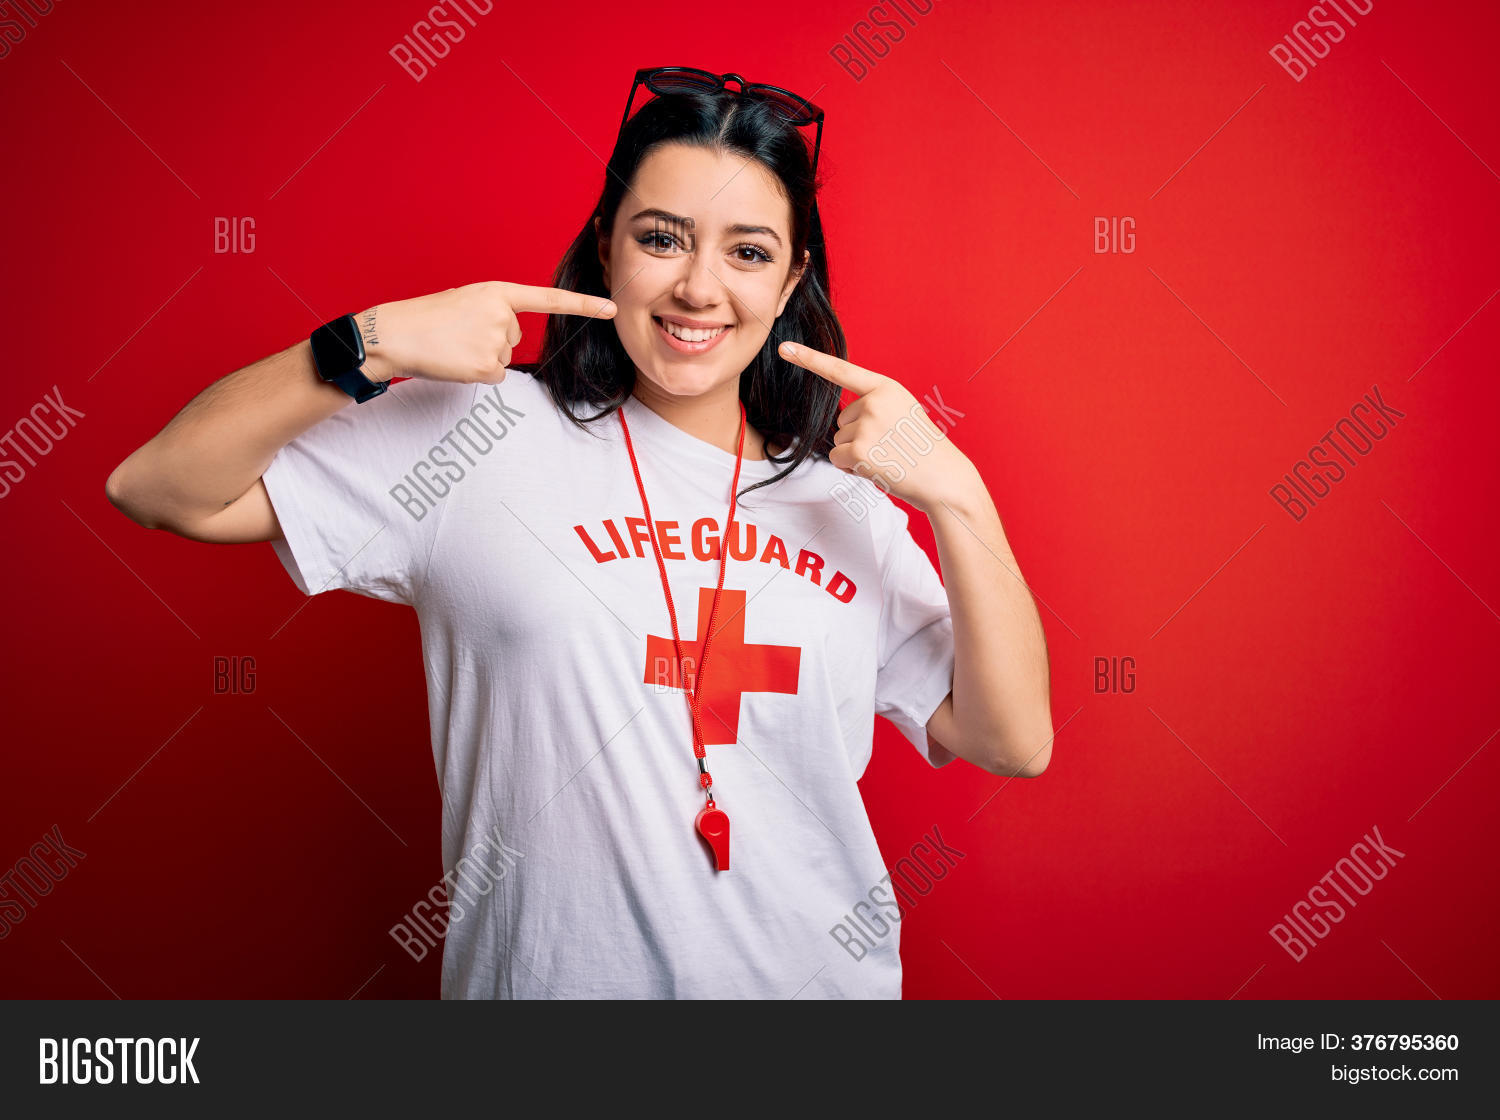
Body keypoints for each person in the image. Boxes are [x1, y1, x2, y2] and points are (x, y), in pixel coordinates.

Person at [105, 67, 1053, 999]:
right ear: (607, 246)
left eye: (749, 252)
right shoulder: (477, 431)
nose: (698, 287)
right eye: (662, 238)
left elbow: (1011, 739)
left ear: (793, 277)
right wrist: (372, 340)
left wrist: (956, 495)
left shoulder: (842, 501)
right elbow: (159, 488)